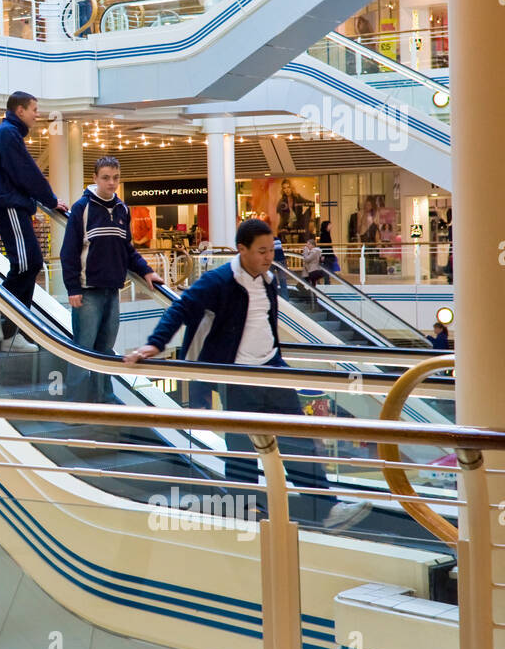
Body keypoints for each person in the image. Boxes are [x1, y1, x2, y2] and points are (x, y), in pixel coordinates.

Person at [123, 219, 372, 532]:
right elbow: (181, 309)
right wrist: (154, 345)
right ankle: (244, 513)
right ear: (242, 250)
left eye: (271, 250)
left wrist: (277, 359)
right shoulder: (219, 281)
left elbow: (266, 323)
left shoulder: (267, 279)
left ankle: (324, 509)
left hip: (273, 370)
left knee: (300, 441)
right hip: (240, 377)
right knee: (241, 450)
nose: (269, 257)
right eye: (261, 251)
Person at [60, 156, 163, 401]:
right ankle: (74, 401)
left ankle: (103, 397)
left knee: (106, 350)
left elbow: (127, 249)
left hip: (112, 290)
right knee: (83, 349)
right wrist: (72, 287)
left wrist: (146, 270)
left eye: (115, 178)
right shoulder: (82, 208)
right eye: (106, 178)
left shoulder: (122, 209)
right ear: (95, 179)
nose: (111, 183)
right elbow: (69, 251)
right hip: (87, 292)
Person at [0, 92, 68, 353]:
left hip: (13, 203)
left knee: (30, 264)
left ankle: (12, 332)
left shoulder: (8, 134)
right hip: (10, 204)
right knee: (26, 263)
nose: (37, 115)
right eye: (34, 109)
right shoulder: (8, 134)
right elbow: (26, 171)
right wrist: (50, 199)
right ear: (19, 110)